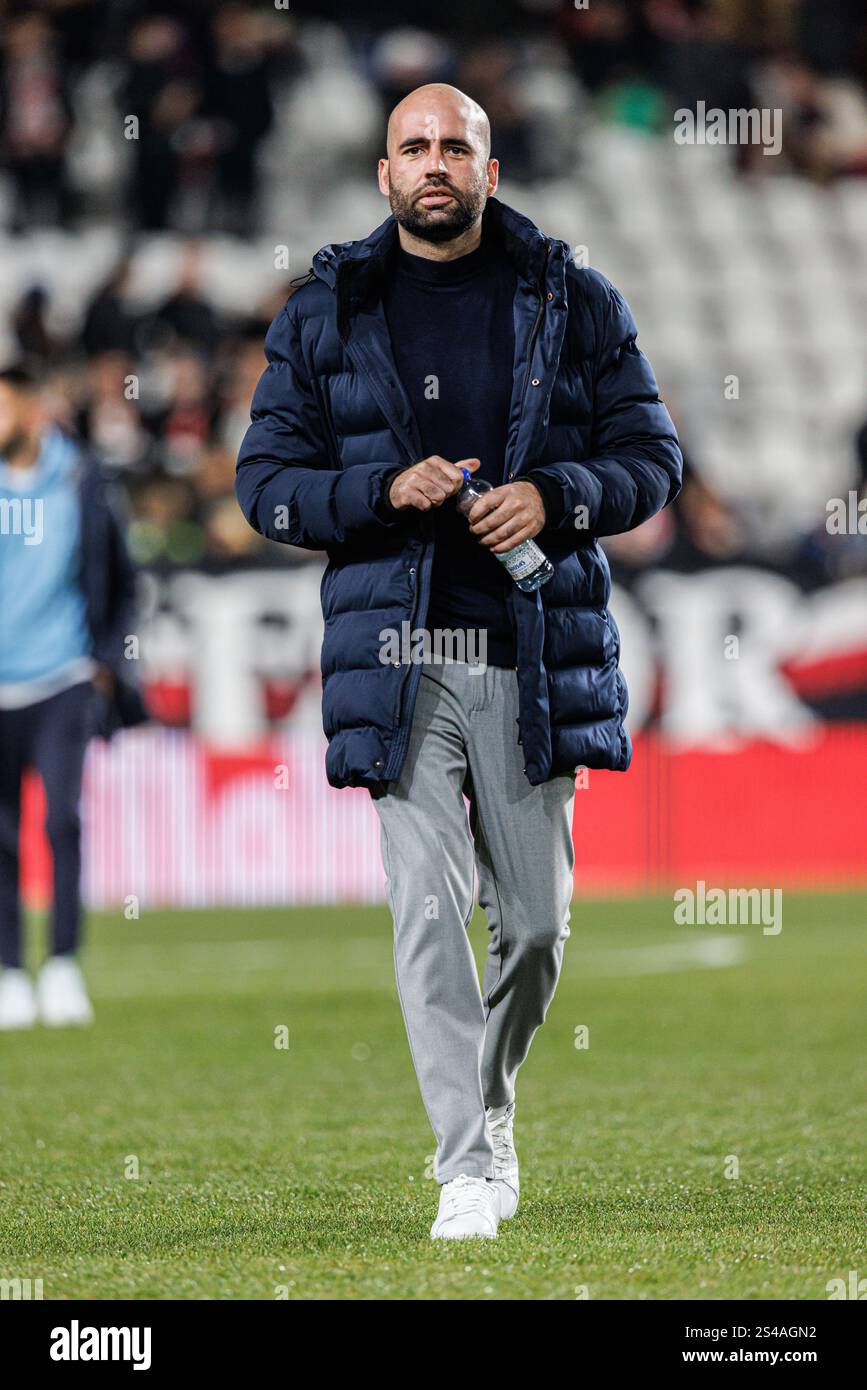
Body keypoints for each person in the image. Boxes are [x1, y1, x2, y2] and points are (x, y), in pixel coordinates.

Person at [236, 85, 682, 1239]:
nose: (436, 164)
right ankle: (468, 1165)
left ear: (491, 166)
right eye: (415, 147)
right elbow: (266, 486)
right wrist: (383, 490)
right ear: (383, 173)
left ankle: (490, 1111)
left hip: (533, 651)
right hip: (398, 655)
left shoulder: (573, 299)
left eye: (457, 146)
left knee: (533, 930)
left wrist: (558, 494)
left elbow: (652, 457)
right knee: (430, 913)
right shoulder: (323, 312)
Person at [0, 364, 147, 1030]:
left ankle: (62, 965)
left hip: (62, 678)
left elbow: (121, 579)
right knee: (1, 836)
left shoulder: (82, 480)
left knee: (61, 821)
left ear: (32, 409)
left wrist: (106, 663)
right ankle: (9, 972)